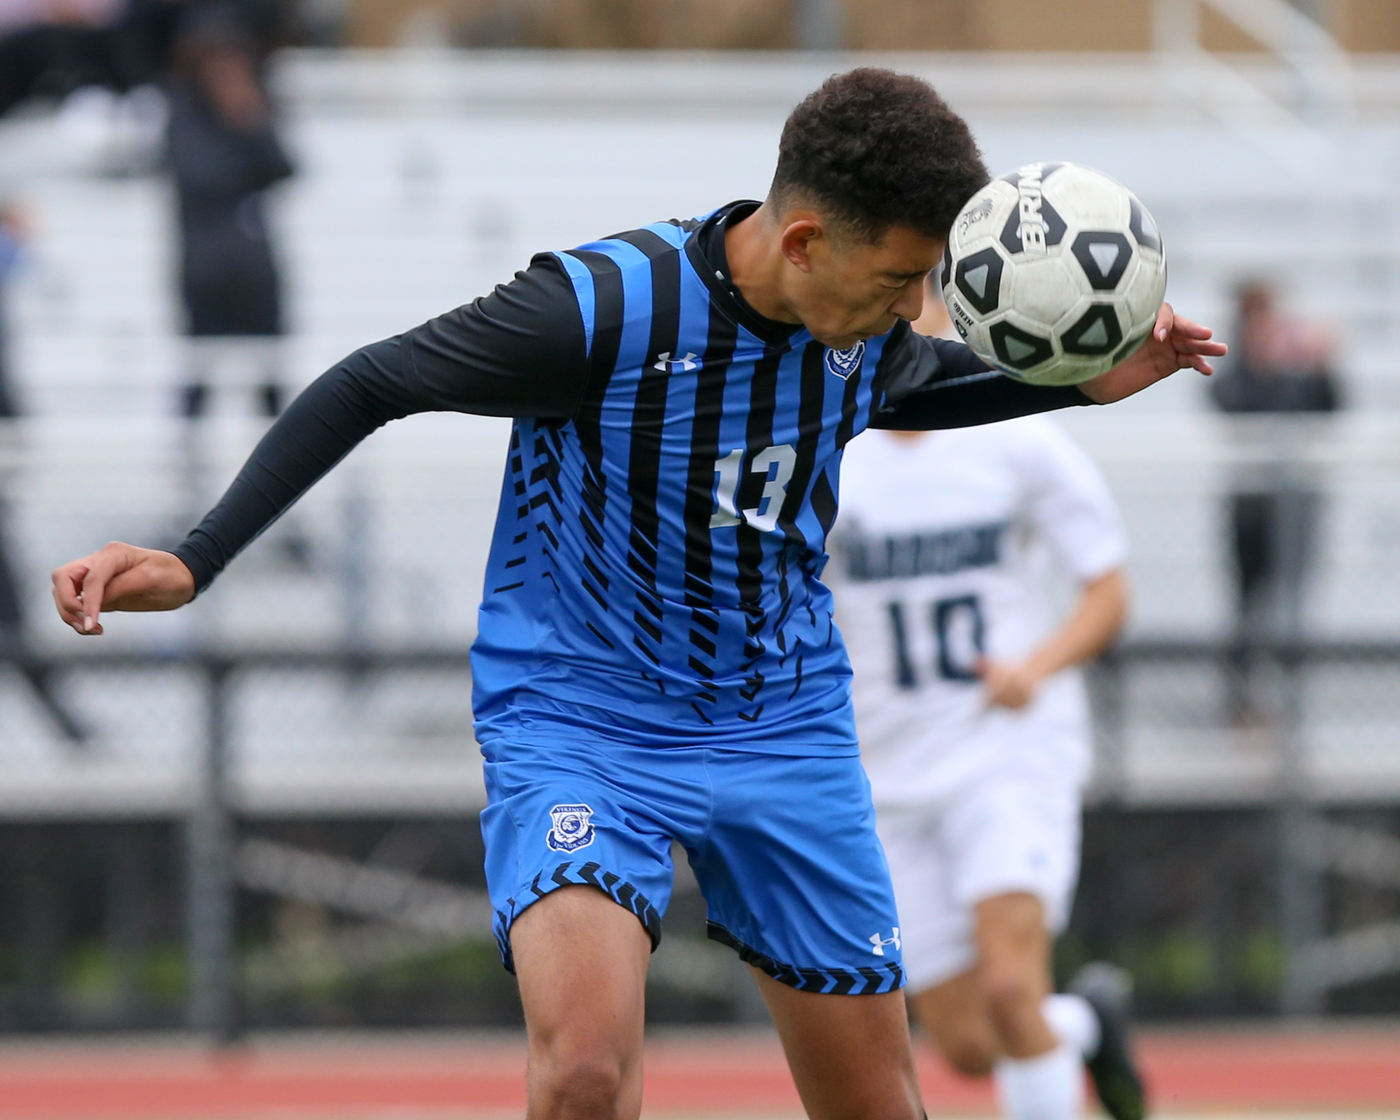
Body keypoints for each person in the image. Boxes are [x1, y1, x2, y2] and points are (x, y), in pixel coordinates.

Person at [52, 69, 1223, 1118]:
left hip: (783, 723)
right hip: (579, 717)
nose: (918, 306)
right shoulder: (595, 311)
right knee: (582, 1077)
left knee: (876, 1103)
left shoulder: (857, 326)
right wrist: (196, 557)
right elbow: (372, 381)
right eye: (903, 278)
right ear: (806, 241)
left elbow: (921, 383)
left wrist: (1080, 382)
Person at [831, 289, 1142, 1120]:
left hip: (1007, 745)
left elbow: (1107, 589)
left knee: (1010, 988)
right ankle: (1082, 1023)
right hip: (888, 768)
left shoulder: (1019, 438)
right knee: (968, 1042)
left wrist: (1035, 667)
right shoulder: (828, 453)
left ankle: (1051, 1028)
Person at [1209, 280, 1340, 727]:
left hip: (1294, 509)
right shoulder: (1236, 372)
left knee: (1294, 607)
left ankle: (1290, 705)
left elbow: (1326, 407)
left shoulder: (1293, 371)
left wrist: (1321, 365)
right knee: (1248, 609)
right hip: (1250, 511)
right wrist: (1263, 366)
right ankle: (1242, 705)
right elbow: (1230, 404)